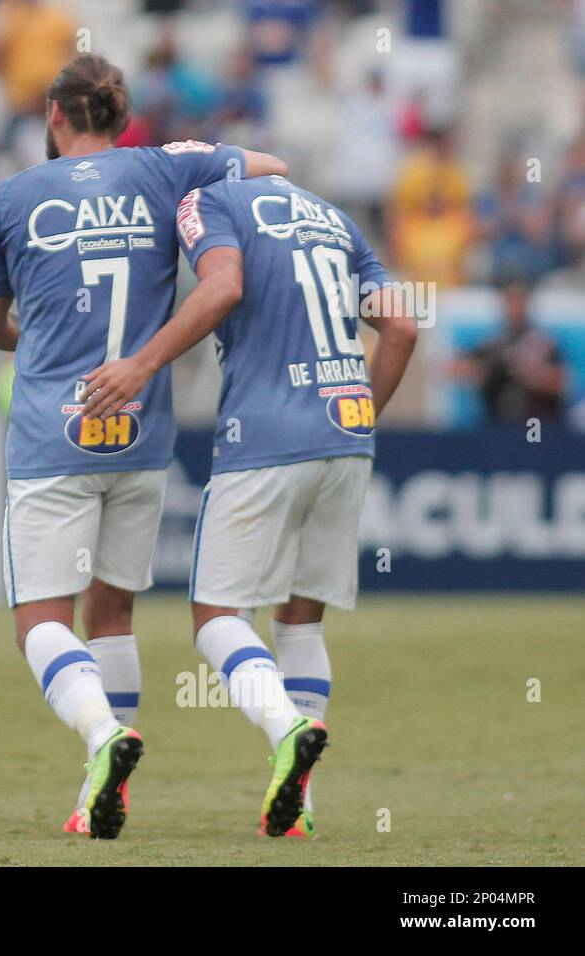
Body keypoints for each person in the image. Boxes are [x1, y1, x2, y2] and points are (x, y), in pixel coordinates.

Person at [0, 53, 286, 839]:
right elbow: (273, 169)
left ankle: (104, 736)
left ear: (53, 115)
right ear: (122, 117)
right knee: (113, 616)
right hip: (142, 433)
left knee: (40, 622)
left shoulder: (13, 197)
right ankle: (103, 794)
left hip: (55, 431)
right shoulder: (162, 170)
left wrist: (46, 345)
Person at [81, 173, 417, 837]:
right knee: (302, 623)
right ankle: (300, 809)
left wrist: (143, 365)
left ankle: (284, 723)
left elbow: (224, 285)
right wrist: (358, 420)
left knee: (216, 618)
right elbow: (402, 327)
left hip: (265, 435)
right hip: (345, 435)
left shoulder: (207, 200)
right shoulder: (333, 214)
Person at [450, 280, 566, 425]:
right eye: (510, 301)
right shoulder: (491, 343)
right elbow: (458, 369)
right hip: (495, 423)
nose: (515, 307)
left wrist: (531, 374)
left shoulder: (544, 342)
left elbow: (562, 383)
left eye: (519, 301)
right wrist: (482, 372)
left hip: (535, 423)